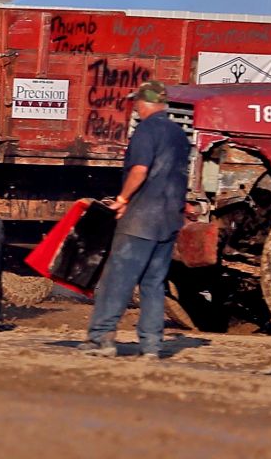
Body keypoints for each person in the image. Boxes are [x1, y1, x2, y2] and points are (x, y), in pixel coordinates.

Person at [86, 78, 191, 359]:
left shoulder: (146, 130)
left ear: (145, 103)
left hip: (141, 218)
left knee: (117, 279)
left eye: (136, 102)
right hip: (169, 219)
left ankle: (102, 339)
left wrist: (122, 200)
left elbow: (140, 170)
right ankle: (151, 347)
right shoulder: (179, 134)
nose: (135, 108)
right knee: (154, 284)